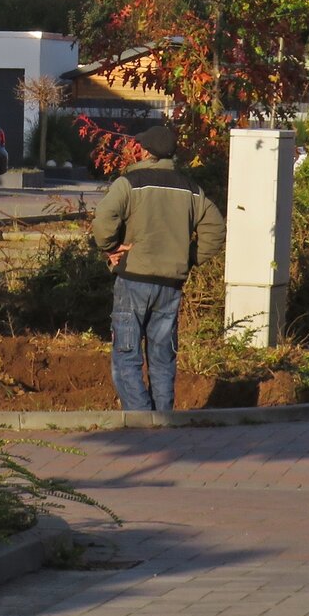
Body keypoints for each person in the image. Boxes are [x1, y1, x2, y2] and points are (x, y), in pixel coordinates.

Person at [89, 123, 225, 412]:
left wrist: (110, 248)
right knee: (163, 357)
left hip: (134, 279)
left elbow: (103, 218)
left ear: (147, 152)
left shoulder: (129, 183)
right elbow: (215, 227)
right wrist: (188, 257)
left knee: (126, 356)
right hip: (170, 284)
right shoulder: (191, 190)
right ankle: (164, 420)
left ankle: (141, 419)